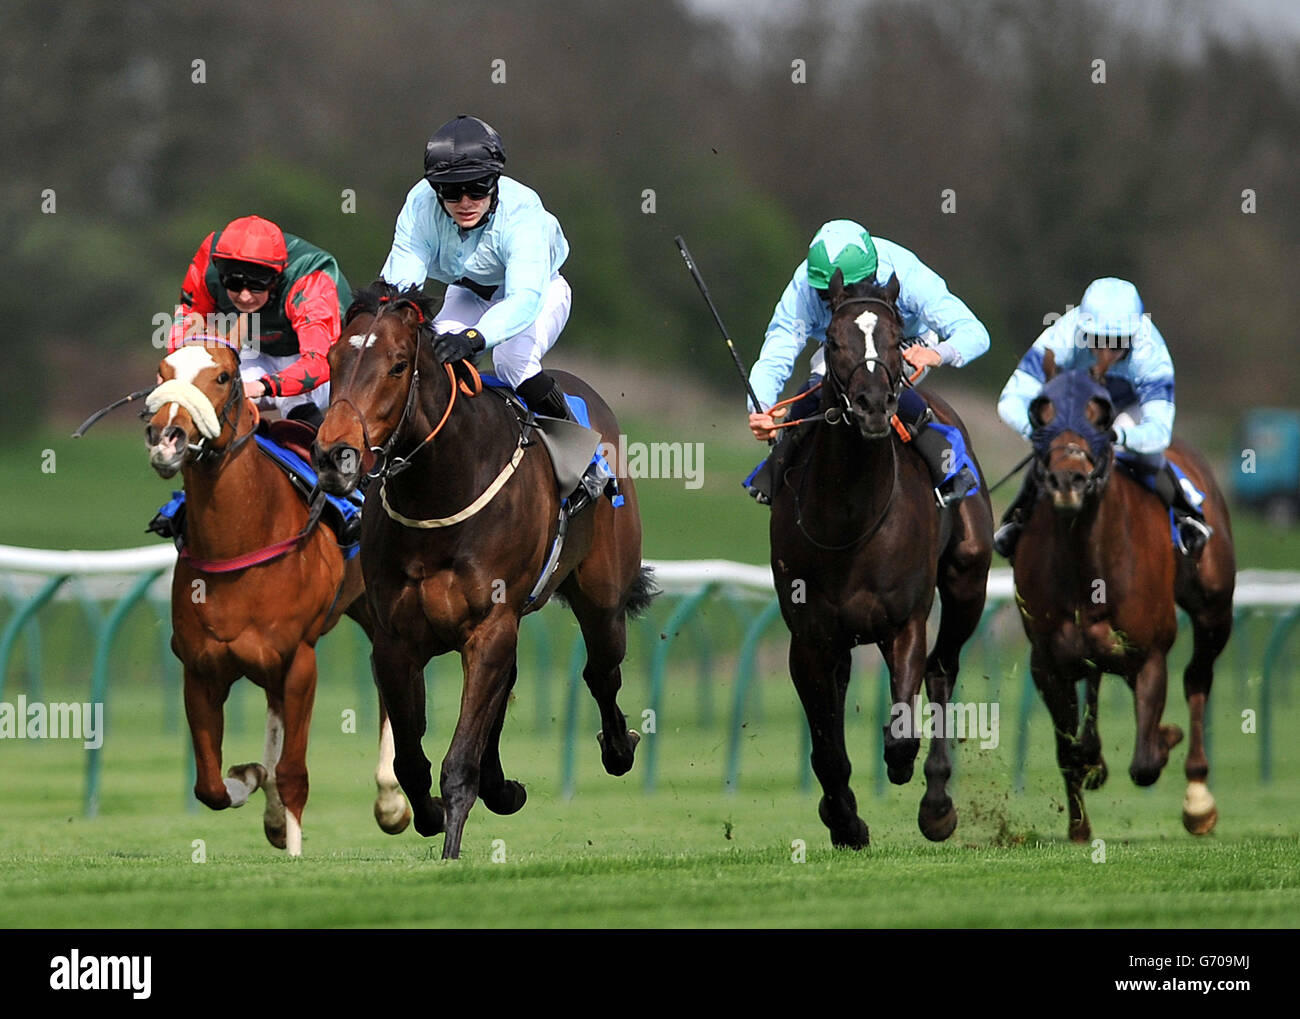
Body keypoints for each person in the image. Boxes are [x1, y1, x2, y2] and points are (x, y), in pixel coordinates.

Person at [379, 114, 609, 507]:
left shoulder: (523, 214)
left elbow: (523, 298)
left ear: (495, 181)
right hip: (468, 290)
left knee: (511, 360)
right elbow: (402, 283)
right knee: (429, 358)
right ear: (435, 190)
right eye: (451, 192)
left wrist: (475, 338)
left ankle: (584, 460)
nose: (465, 202)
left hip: (539, 291)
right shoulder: (419, 205)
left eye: (477, 188)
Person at [745, 220, 989, 505]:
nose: (832, 300)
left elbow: (975, 333)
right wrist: (761, 406)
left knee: (879, 384)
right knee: (817, 388)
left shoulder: (908, 274)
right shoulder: (805, 285)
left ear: (871, 274)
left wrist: (937, 354)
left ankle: (948, 463)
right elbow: (780, 345)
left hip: (905, 341)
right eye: (827, 295)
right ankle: (780, 461)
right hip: (846, 341)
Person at [994, 277, 1213, 559]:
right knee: (1053, 454)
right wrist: (1041, 433)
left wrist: (1117, 436)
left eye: (1117, 343)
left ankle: (1187, 514)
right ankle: (1017, 519)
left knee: (1147, 457)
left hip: (1128, 408)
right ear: (1083, 330)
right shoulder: (1061, 337)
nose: (1106, 352)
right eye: (1097, 340)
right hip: (1080, 408)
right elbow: (1011, 400)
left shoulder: (1151, 354)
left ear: (1135, 335)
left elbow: (1158, 432)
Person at [166, 214, 351, 426]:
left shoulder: (310, 283)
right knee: (213, 387)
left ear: (276, 279)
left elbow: (317, 363)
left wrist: (261, 386)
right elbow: (187, 325)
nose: (244, 296)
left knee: (290, 398)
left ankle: (325, 457)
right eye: (234, 283)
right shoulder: (209, 263)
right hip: (259, 350)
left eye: (257, 285)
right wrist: (175, 370)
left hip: (331, 363)